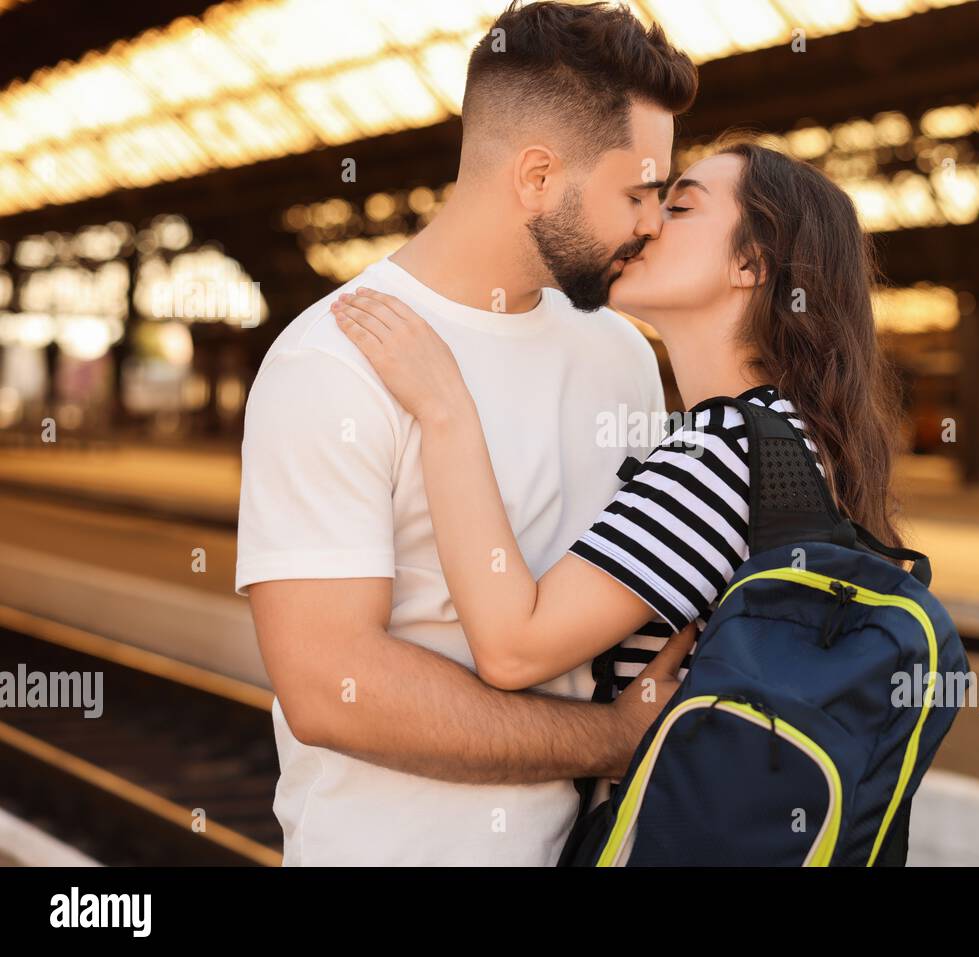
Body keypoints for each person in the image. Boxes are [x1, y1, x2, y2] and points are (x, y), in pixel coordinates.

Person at [236, 1, 699, 866]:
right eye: (636, 192)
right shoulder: (331, 363)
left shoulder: (624, 357)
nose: (652, 223)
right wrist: (610, 739)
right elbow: (333, 691)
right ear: (535, 176)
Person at [331, 139, 909, 807]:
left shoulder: (721, 449)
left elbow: (514, 648)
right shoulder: (790, 441)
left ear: (751, 262)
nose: (646, 223)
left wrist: (445, 408)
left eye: (680, 206)